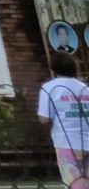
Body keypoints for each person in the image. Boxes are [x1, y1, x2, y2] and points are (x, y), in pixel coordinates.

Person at [37, 50, 89, 189]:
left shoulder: (50, 87)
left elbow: (44, 119)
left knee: (74, 184)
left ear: (53, 68)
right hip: (87, 141)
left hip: (66, 143)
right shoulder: (84, 88)